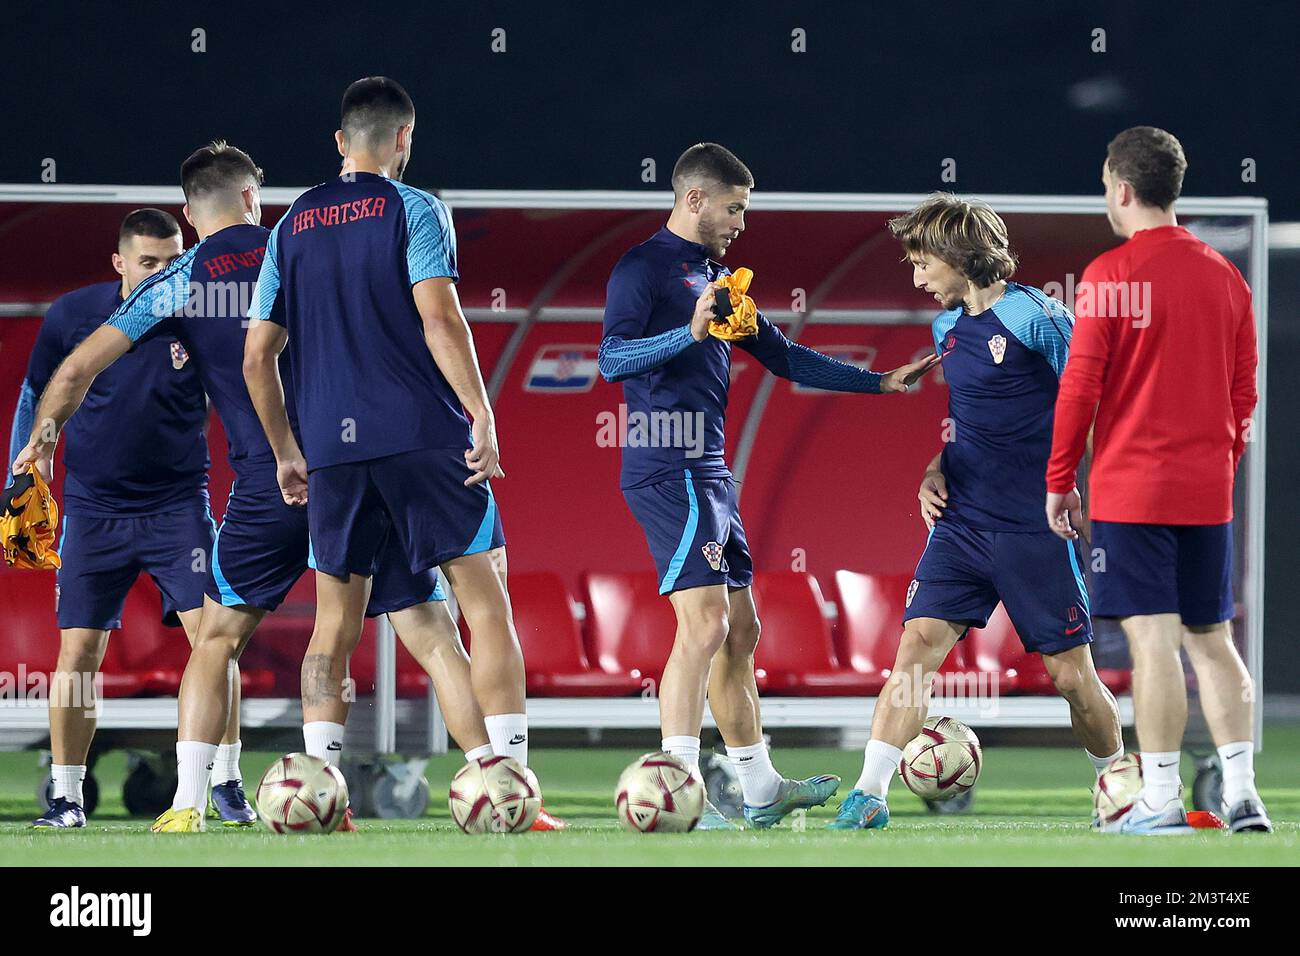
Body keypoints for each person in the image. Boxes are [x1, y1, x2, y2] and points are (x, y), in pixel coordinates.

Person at [243, 77, 563, 829]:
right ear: (404, 141)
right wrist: (482, 413)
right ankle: (511, 783)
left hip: (331, 451)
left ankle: (318, 790)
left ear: (339, 142)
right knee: (483, 607)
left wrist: (287, 450)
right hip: (423, 438)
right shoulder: (414, 208)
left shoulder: (289, 226)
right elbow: (442, 322)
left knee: (344, 625)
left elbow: (258, 354)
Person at [599, 142, 939, 829]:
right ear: (694, 198)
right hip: (668, 465)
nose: (741, 223)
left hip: (712, 473)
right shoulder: (641, 269)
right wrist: (688, 332)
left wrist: (877, 382)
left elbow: (781, 355)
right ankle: (678, 788)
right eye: (734, 208)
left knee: (741, 630)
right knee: (704, 625)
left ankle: (758, 790)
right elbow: (613, 358)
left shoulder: (715, 276)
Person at [829, 194, 1123, 830]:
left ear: (959, 254)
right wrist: (935, 470)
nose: (917, 278)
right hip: (961, 522)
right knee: (915, 651)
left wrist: (1086, 489)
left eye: (922, 262)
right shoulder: (945, 331)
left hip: (1034, 526)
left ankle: (1119, 788)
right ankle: (869, 796)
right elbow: (971, 424)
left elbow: (1091, 408)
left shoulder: (1040, 317)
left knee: (1070, 675)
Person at [1045, 127, 1269, 834]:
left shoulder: (1111, 276)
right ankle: (1241, 792)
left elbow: (1080, 387)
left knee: (1153, 640)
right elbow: (1244, 393)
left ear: (1121, 188)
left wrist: (1059, 479)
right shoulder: (1225, 276)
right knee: (1213, 640)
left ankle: (1162, 799)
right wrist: (1216, 463)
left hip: (1133, 491)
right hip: (1206, 492)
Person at [9, 209, 221, 828]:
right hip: (94, 511)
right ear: (120, 263)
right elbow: (36, 392)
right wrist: (21, 472)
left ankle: (223, 783)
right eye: (149, 262)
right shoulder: (74, 315)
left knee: (214, 641)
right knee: (76, 655)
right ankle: (67, 796)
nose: (163, 273)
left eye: (174, 260)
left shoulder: (199, 315)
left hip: (177, 508)